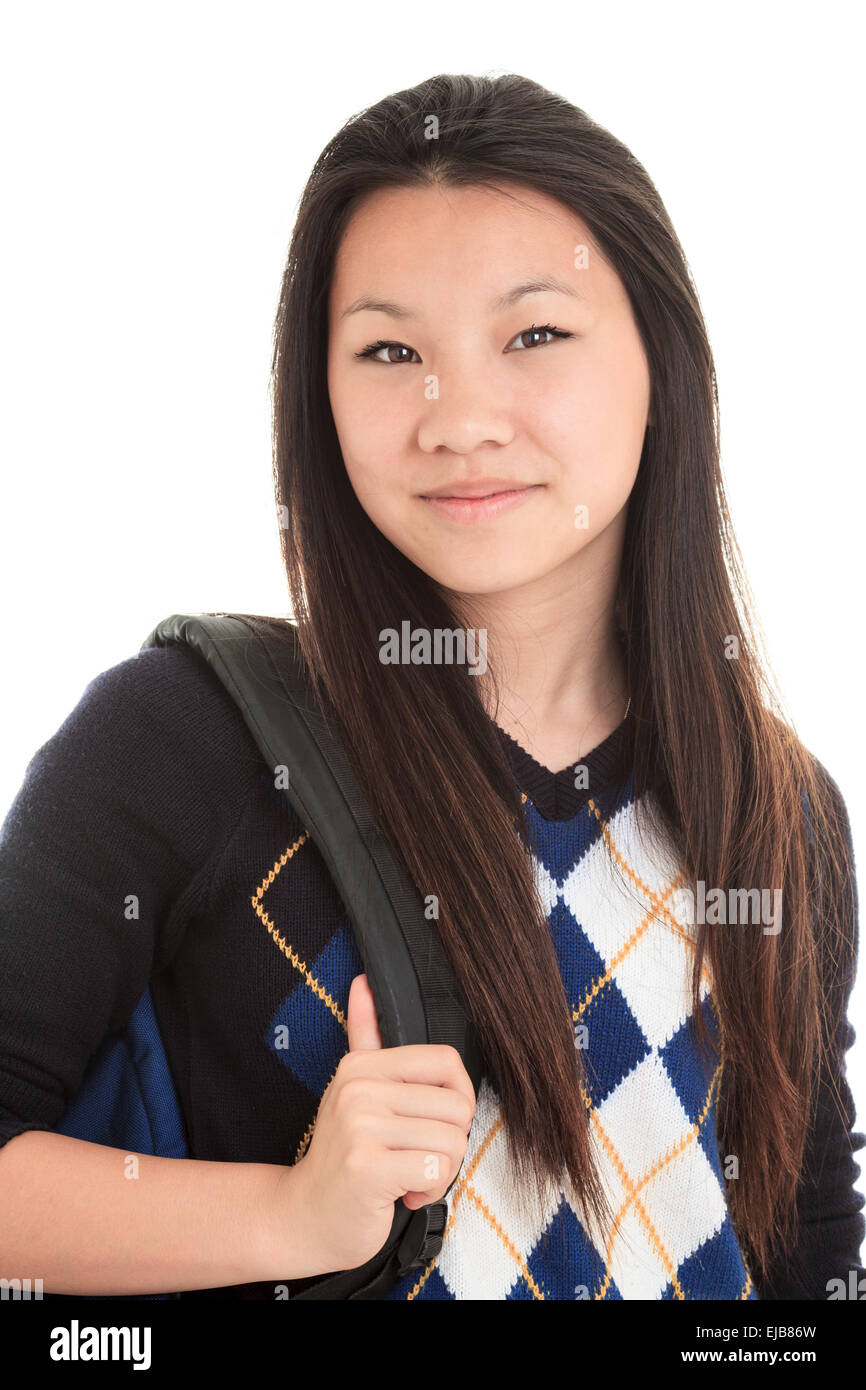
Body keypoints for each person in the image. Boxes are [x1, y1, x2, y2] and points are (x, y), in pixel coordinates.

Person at [1, 72, 863, 1301]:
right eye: (391, 349)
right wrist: (291, 1217)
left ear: (659, 361)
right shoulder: (184, 740)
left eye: (533, 335)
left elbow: (804, 1250)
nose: (456, 417)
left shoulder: (780, 810)